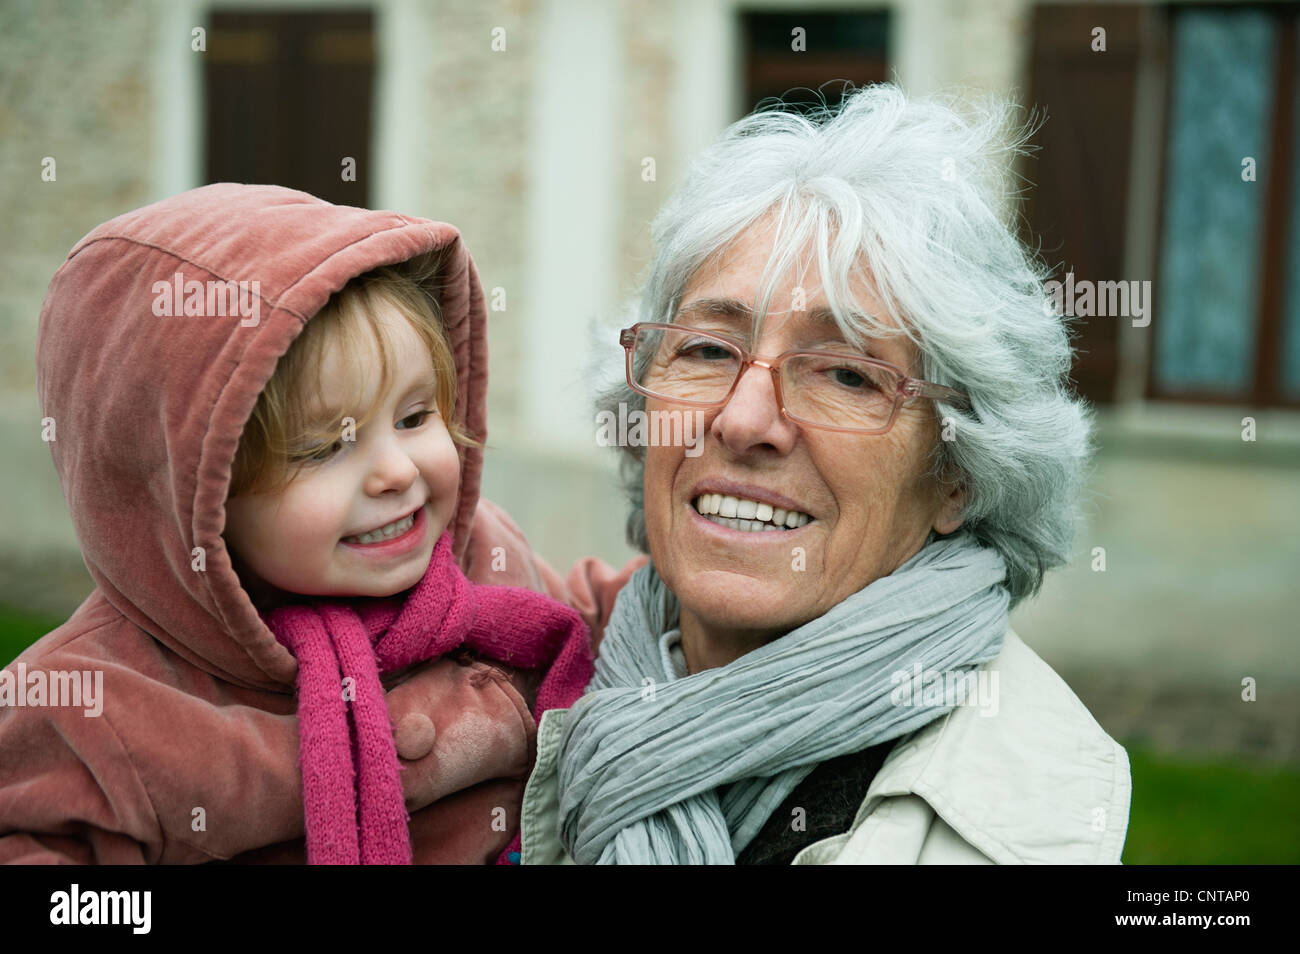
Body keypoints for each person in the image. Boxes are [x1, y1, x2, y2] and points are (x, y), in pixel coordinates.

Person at [521, 84, 1132, 864]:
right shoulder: (528, 689)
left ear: (956, 475)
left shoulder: (1009, 831)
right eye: (707, 350)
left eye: (846, 374)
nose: (744, 421)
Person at [0, 183, 591, 864]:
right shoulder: (95, 707)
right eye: (322, 448)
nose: (395, 472)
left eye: (415, 417)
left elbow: (605, 605)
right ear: (193, 493)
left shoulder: (485, 552)